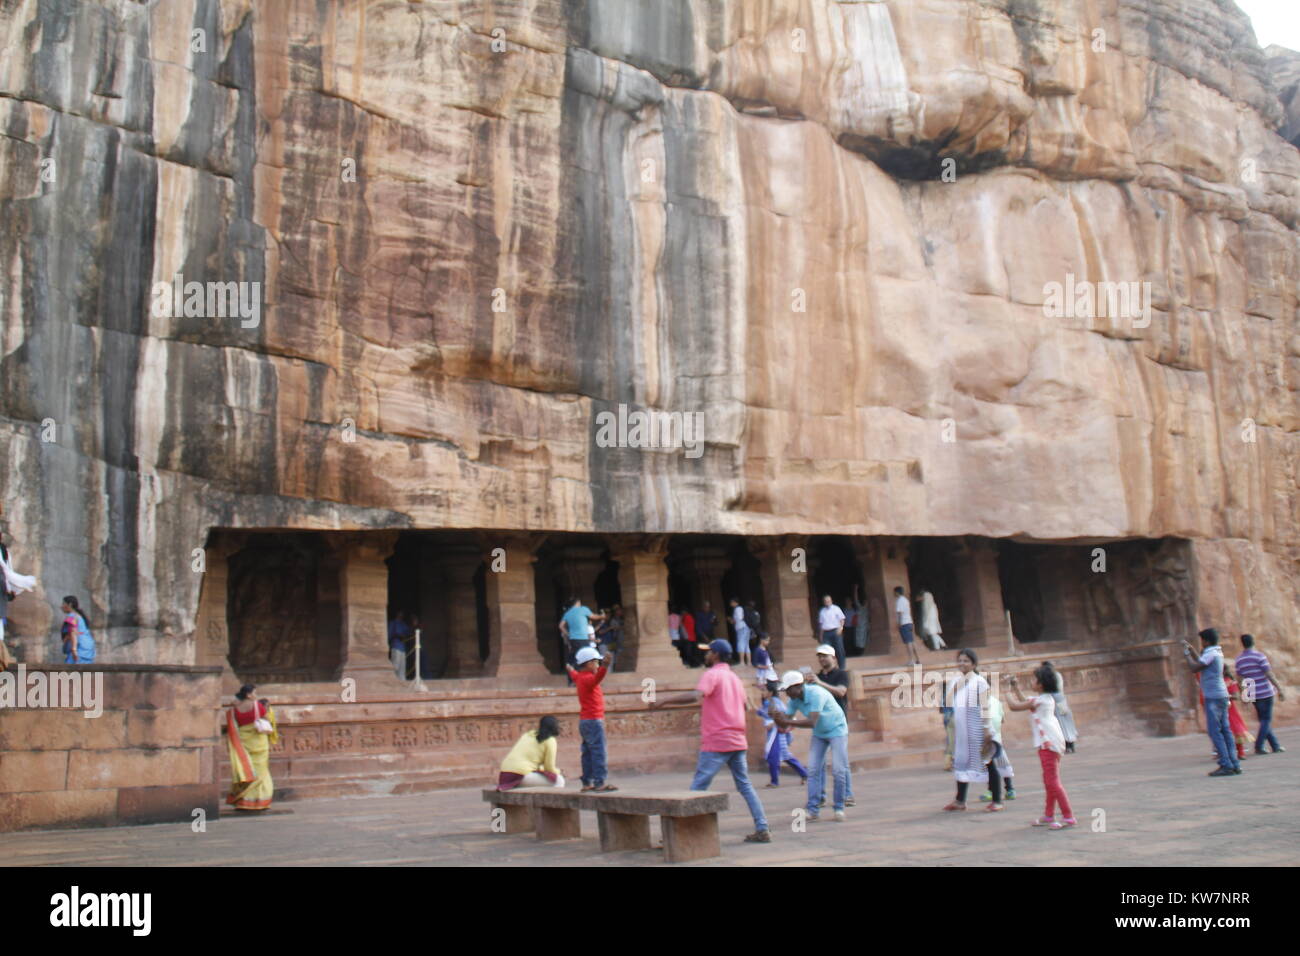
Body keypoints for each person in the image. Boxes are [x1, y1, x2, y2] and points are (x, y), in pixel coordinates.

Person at [651, 639, 772, 843]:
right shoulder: (735, 678)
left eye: (708, 652)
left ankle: (679, 833)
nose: (706, 656)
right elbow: (743, 706)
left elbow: (697, 695)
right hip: (737, 739)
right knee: (745, 786)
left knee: (698, 788)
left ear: (715, 655)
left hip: (717, 739)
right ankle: (762, 827)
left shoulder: (712, 674)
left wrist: (664, 700)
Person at [771, 669, 850, 822]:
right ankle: (813, 808)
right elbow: (786, 723)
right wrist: (777, 719)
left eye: (788, 690)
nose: (786, 693)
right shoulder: (794, 700)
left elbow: (811, 722)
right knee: (813, 769)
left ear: (798, 686)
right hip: (820, 733)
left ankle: (839, 807)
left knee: (838, 770)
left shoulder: (816, 694)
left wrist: (786, 721)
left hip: (837, 729)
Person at [1007, 664, 1076, 829]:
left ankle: (1068, 816)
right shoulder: (1044, 699)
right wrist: (1015, 687)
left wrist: (1007, 693)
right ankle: (1049, 814)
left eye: (1034, 679)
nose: (1032, 681)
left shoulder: (1042, 701)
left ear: (1041, 684)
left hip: (1049, 743)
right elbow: (1025, 700)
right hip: (1050, 742)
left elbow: (1015, 706)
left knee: (1052, 782)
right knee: (1049, 781)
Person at [1182, 628, 1241, 776]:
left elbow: (1195, 667)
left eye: (1202, 640)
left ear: (1206, 641)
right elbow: (1203, 663)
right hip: (1221, 695)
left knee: (1215, 732)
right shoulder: (1217, 652)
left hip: (1213, 696)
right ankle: (1234, 763)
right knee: (1225, 730)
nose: (1201, 643)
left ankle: (1226, 764)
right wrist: (1193, 650)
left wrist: (1187, 655)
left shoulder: (1210, 653)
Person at [808, 644, 855, 807]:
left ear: (834, 658)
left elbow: (841, 691)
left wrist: (819, 683)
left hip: (838, 724)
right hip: (820, 724)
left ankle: (847, 794)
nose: (822, 659)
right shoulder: (818, 677)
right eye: (819, 656)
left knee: (841, 762)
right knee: (817, 764)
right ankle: (820, 795)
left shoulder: (841, 674)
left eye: (825, 656)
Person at [565, 645, 617, 792]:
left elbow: (574, 674)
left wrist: (570, 670)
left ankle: (587, 782)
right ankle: (600, 782)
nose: (598, 665)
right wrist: (605, 667)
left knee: (587, 752)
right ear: (589, 664)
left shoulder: (579, 678)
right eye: (596, 662)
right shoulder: (588, 679)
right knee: (598, 751)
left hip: (585, 721)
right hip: (594, 720)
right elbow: (598, 678)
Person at [942, 649, 988, 811]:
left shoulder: (979, 682)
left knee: (987, 762)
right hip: (961, 729)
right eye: (960, 660)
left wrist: (987, 728)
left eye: (966, 661)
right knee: (961, 762)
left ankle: (997, 796)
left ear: (974, 664)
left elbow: (985, 706)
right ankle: (960, 800)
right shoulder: (955, 680)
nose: (962, 663)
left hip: (976, 728)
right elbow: (947, 702)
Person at [225, 683, 279, 811]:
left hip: (243, 741)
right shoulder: (257, 706)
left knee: (246, 768)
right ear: (248, 695)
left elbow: (233, 725)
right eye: (254, 693)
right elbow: (266, 719)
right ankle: (259, 801)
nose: (256, 696)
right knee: (261, 771)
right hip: (258, 742)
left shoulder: (234, 709)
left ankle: (243, 801)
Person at [1235, 633, 1285, 754]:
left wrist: (1245, 695)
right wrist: (1279, 688)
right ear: (1253, 642)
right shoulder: (1259, 656)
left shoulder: (1239, 659)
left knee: (1263, 720)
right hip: (1265, 692)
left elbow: (1240, 679)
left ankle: (1275, 746)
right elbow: (1269, 674)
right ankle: (1259, 746)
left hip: (1252, 692)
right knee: (1266, 720)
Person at [758, 680, 807, 788]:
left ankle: (775, 781)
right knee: (784, 756)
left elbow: (785, 717)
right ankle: (804, 774)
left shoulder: (776, 702)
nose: (763, 692)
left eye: (764, 690)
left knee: (775, 756)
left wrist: (774, 724)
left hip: (778, 733)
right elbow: (761, 712)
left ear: (771, 692)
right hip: (773, 733)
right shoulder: (769, 702)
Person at [497, 715, 566, 790]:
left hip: (504, 775)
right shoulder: (550, 740)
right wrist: (559, 771)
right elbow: (549, 767)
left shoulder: (528, 734)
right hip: (520, 775)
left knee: (542, 776)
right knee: (559, 780)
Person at [977, 688, 1016, 809]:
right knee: (1000, 763)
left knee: (990, 764)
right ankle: (1009, 789)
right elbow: (1002, 719)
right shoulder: (996, 701)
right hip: (996, 735)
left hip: (989, 737)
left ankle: (995, 791)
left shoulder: (981, 704)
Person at [560, 597, 604, 676]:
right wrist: (602, 616)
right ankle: (588, 677)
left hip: (573, 639)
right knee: (587, 658)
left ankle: (573, 679)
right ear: (578, 602)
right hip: (583, 638)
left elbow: (561, 626)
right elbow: (594, 617)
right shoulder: (583, 609)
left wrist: (568, 634)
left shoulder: (568, 613)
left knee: (574, 658)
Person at [1042, 660, 1078, 753]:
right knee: (1065, 721)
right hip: (1060, 699)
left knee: (1062, 722)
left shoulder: (1052, 675)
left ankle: (1069, 745)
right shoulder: (1055, 674)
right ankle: (1069, 744)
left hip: (1056, 699)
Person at [1224, 667, 1255, 761]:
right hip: (1224, 708)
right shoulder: (1218, 681)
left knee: (1235, 729)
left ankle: (1240, 751)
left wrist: (1226, 696)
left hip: (1229, 708)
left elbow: (1236, 696)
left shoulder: (1229, 681)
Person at [60, 595, 96, 664]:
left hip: (79, 649)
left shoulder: (71, 617)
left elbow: (73, 633)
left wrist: (74, 650)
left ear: (70, 604)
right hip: (87, 648)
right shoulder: (79, 616)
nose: (61, 606)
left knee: (72, 672)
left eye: (63, 603)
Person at [817, 594, 847, 668]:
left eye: (828, 601)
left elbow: (842, 619)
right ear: (824, 602)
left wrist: (841, 628)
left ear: (831, 601)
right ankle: (830, 667)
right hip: (826, 633)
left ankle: (842, 667)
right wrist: (821, 635)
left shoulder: (836, 608)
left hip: (835, 631)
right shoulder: (822, 611)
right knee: (826, 651)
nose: (827, 602)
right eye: (826, 601)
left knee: (839, 650)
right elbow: (821, 625)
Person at [895, 586, 920, 664]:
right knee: (912, 641)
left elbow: (900, 613)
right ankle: (917, 659)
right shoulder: (905, 600)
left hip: (904, 623)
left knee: (908, 642)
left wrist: (898, 623)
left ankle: (911, 660)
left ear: (897, 592)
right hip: (909, 622)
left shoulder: (899, 600)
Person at [596, 605, 624, 669]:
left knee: (611, 661)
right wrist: (610, 628)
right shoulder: (600, 623)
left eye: (609, 615)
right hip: (603, 644)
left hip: (610, 644)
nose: (608, 616)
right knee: (605, 661)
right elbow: (599, 632)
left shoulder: (607, 623)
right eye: (607, 615)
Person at [388, 611, 412, 679]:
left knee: (402, 667)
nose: (401, 615)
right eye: (400, 613)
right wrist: (397, 636)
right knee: (395, 665)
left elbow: (409, 633)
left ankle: (402, 682)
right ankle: (393, 680)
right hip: (396, 646)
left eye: (402, 613)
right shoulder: (393, 623)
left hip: (402, 647)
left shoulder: (403, 624)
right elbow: (389, 635)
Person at [729, 598, 750, 666]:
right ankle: (749, 662)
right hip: (745, 628)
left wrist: (731, 620)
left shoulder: (737, 609)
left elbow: (739, 618)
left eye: (732, 602)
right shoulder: (740, 608)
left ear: (735, 602)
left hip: (741, 628)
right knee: (746, 645)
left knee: (740, 644)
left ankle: (742, 662)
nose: (731, 604)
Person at [850, 584, 869, 654]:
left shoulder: (867, 610)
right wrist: (855, 589)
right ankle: (860, 652)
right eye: (865, 602)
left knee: (865, 641)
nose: (866, 603)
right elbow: (856, 599)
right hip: (859, 627)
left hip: (865, 627)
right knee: (859, 641)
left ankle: (863, 651)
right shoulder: (860, 608)